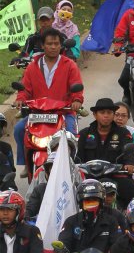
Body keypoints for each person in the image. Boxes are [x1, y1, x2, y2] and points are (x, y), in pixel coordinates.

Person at [14, 29, 83, 170]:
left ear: (61, 45)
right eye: (49, 44)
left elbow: (77, 86)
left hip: (63, 113)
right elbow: (25, 89)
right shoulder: (32, 67)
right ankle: (26, 163)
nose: (53, 47)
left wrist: (77, 100)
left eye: (56, 43)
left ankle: (72, 166)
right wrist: (20, 99)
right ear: (43, 45)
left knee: (71, 134)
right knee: (19, 129)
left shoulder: (70, 65)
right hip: (38, 114)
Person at [76, 97, 134, 205]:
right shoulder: (84, 134)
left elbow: (129, 152)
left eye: (109, 112)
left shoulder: (123, 133)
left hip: (115, 177)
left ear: (113, 114)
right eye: (102, 112)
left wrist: (129, 164)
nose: (106, 115)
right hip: (89, 179)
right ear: (95, 115)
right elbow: (77, 157)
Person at [24, 133, 83, 221]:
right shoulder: (40, 175)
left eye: (66, 148)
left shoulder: (77, 174)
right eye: (58, 149)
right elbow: (29, 201)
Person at [113, 102, 134, 174]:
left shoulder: (133, 132)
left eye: (124, 116)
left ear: (128, 118)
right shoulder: (104, 130)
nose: (120, 118)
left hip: (123, 170)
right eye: (116, 115)